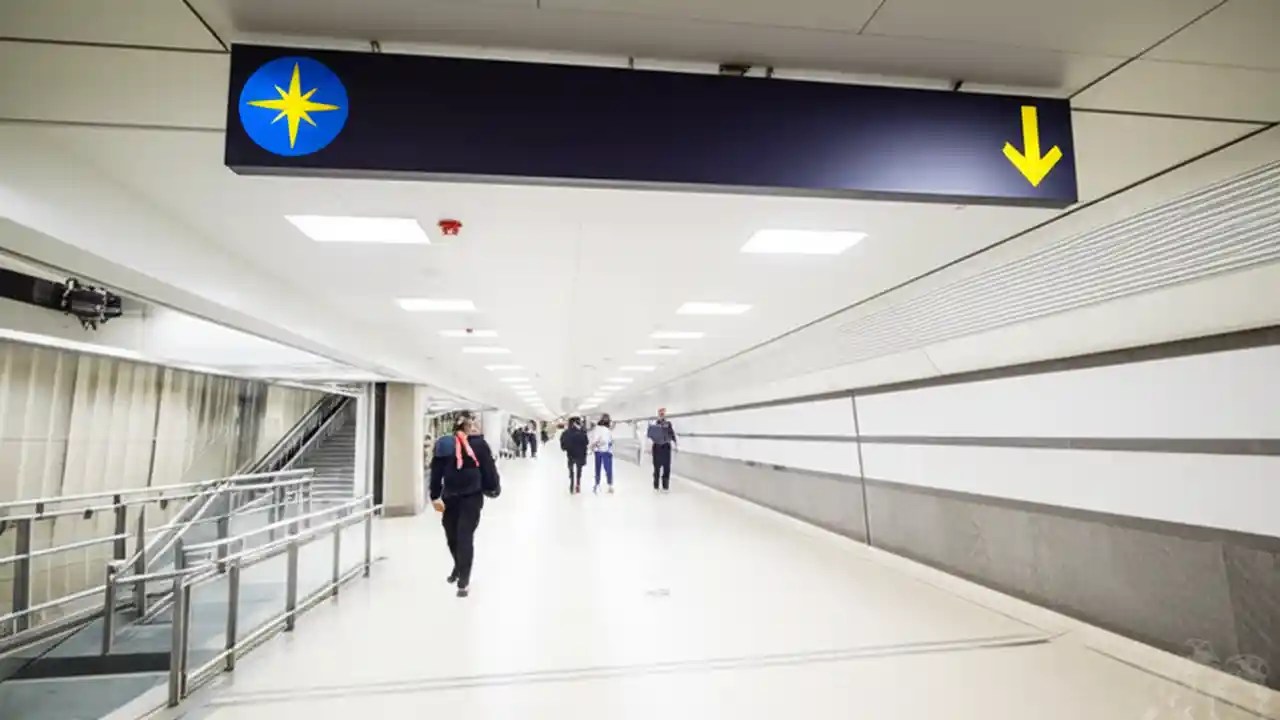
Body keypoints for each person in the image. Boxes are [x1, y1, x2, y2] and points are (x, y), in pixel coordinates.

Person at [429, 415, 501, 598]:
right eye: (473, 425)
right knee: (455, 536)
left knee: (460, 535)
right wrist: (435, 494)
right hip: (453, 497)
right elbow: (437, 470)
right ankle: (459, 567)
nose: (475, 428)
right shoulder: (446, 445)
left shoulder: (477, 445)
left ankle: (464, 579)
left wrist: (493, 487)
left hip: (470, 496)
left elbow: (487, 468)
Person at [647, 408, 677, 493]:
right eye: (660, 413)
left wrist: (675, 443)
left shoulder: (668, 424)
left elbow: (672, 434)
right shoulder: (654, 424)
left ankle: (665, 486)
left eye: (663, 413)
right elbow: (649, 436)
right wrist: (649, 447)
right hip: (657, 447)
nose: (662, 414)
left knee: (666, 467)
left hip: (666, 447)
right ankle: (656, 486)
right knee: (657, 468)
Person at [560, 416, 589, 494]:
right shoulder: (582, 432)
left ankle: (572, 483)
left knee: (571, 469)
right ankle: (578, 484)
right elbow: (586, 442)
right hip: (580, 455)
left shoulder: (566, 433)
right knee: (579, 470)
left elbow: (563, 446)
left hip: (571, 454)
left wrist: (566, 447)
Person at [591, 414, 615, 494]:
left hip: (599, 451)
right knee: (608, 469)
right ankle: (609, 485)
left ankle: (597, 484)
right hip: (606, 451)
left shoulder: (597, 429)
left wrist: (594, 445)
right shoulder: (607, 430)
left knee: (598, 468)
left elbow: (594, 440)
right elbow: (609, 440)